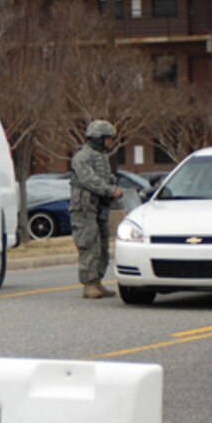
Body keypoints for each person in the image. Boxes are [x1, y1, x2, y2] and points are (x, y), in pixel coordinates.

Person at [69, 120, 123, 299]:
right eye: (108, 138)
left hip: (99, 207)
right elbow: (89, 179)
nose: (110, 142)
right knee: (89, 244)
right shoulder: (82, 156)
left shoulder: (102, 157)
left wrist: (112, 184)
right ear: (98, 138)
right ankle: (89, 284)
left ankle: (97, 281)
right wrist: (109, 190)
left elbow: (104, 177)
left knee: (102, 245)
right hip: (84, 209)